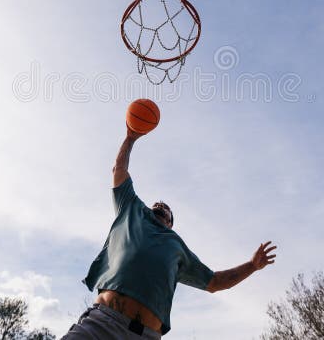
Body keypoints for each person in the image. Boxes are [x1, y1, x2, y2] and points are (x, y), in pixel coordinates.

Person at [63, 127, 277, 338]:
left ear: (170, 223)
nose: (160, 205)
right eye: (157, 203)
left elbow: (215, 282)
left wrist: (252, 265)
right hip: (102, 324)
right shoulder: (132, 210)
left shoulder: (176, 246)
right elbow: (119, 169)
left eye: (166, 208)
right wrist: (130, 138)